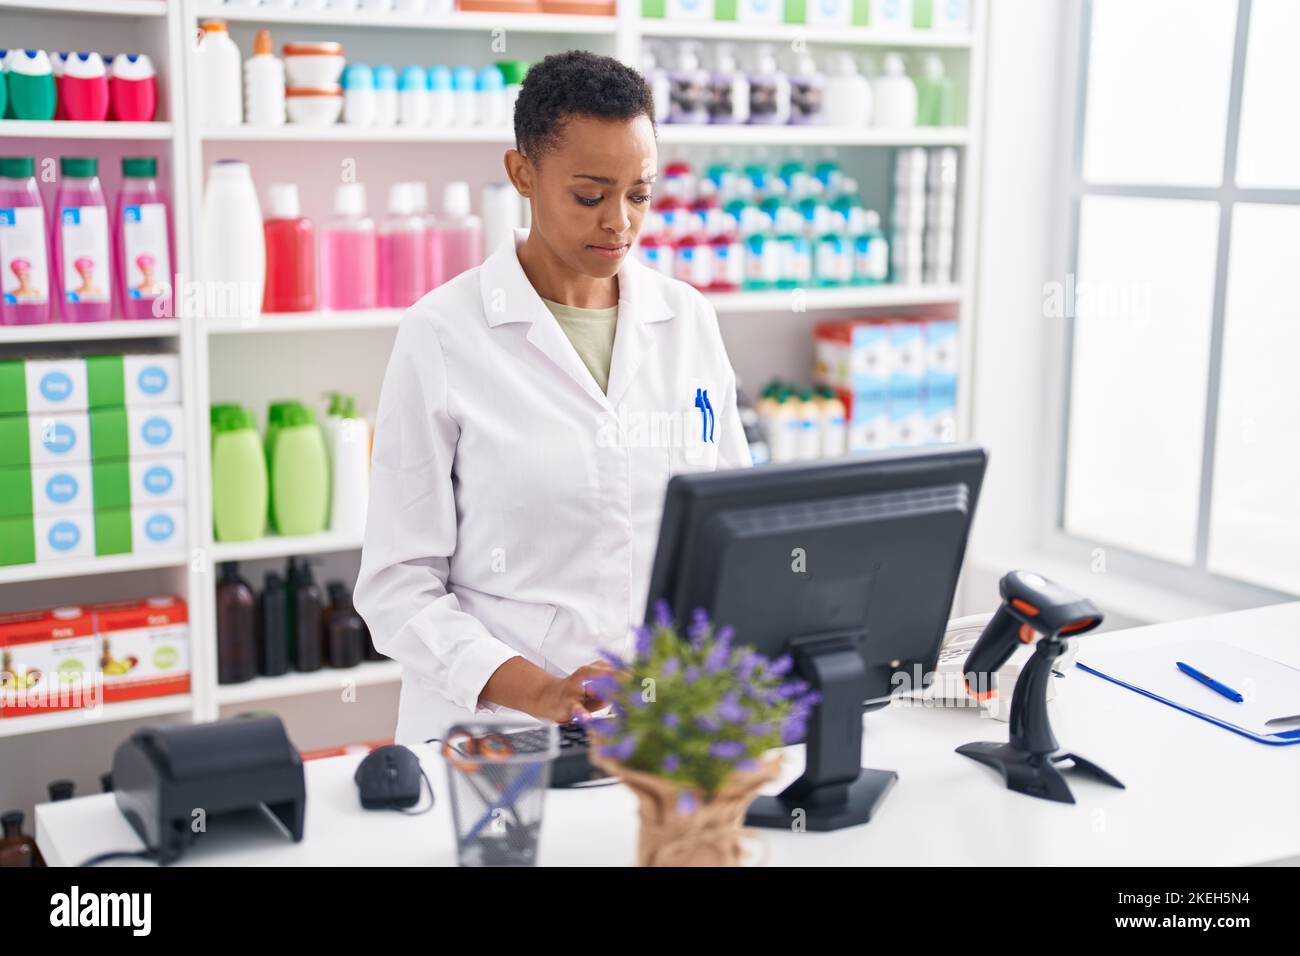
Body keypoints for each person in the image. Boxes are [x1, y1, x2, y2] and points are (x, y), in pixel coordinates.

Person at [355, 50, 751, 745]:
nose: (620, 223)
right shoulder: (442, 334)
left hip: (659, 721)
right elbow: (398, 586)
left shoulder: (687, 320)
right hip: (496, 735)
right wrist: (541, 689)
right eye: (591, 195)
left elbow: (739, 528)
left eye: (640, 194)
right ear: (523, 175)